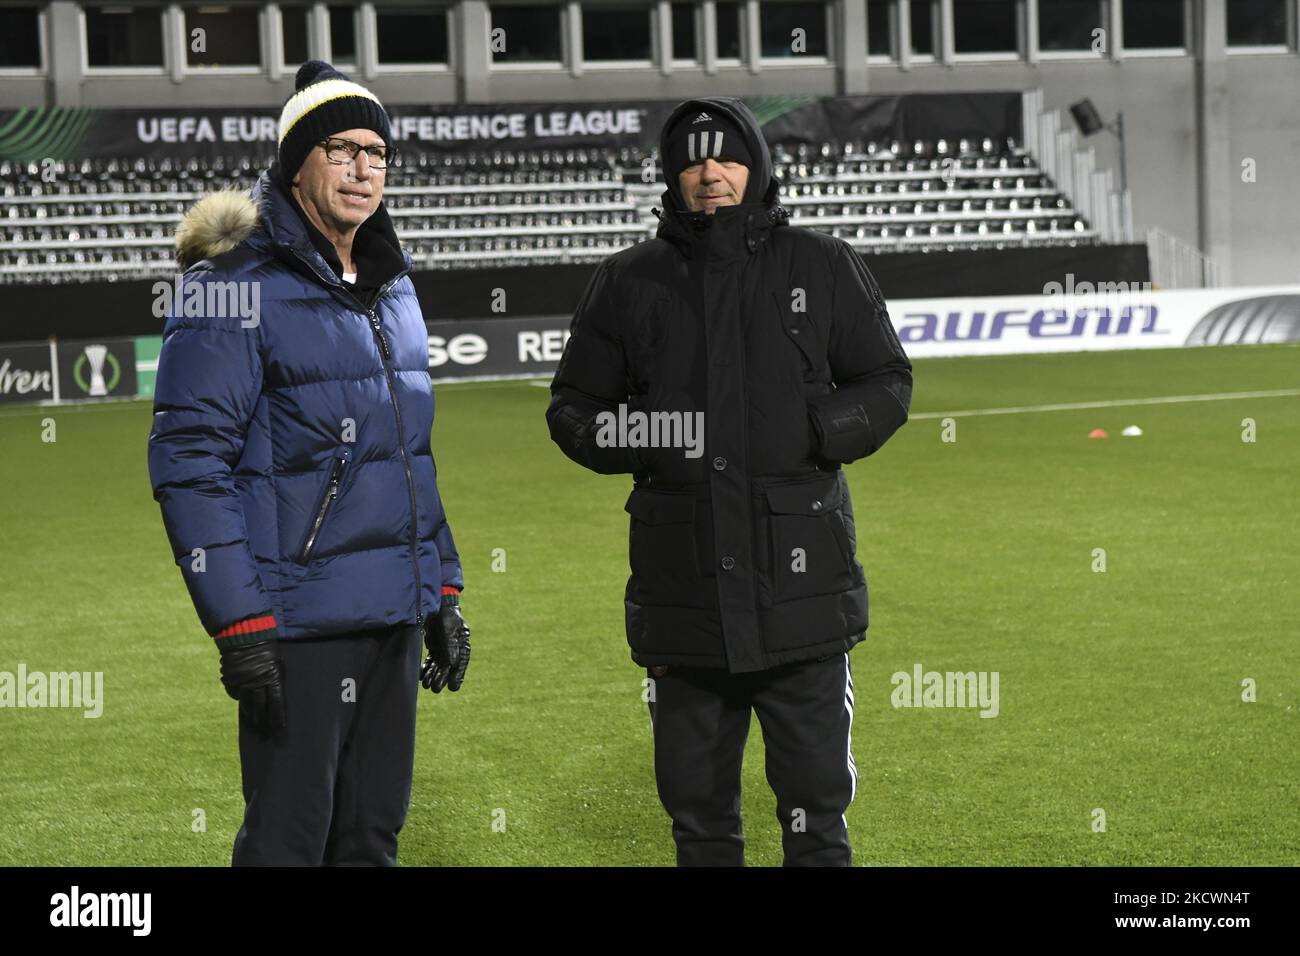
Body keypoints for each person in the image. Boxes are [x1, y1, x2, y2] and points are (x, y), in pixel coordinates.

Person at [547, 97, 912, 866]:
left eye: (726, 158)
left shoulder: (822, 264)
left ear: (757, 167)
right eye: (690, 161)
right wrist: (649, 435)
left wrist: (814, 430)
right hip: (685, 605)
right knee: (699, 820)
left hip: (804, 602)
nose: (709, 173)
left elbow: (886, 381)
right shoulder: (626, 280)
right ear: (671, 176)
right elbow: (574, 409)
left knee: (816, 811)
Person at [147, 60, 471, 866]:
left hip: (390, 618)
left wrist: (439, 589)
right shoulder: (229, 286)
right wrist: (242, 625)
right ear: (297, 163)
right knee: (287, 846)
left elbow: (406, 456)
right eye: (342, 149)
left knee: (369, 840)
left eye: (378, 153)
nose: (365, 169)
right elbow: (191, 463)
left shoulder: (392, 283)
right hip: (295, 625)